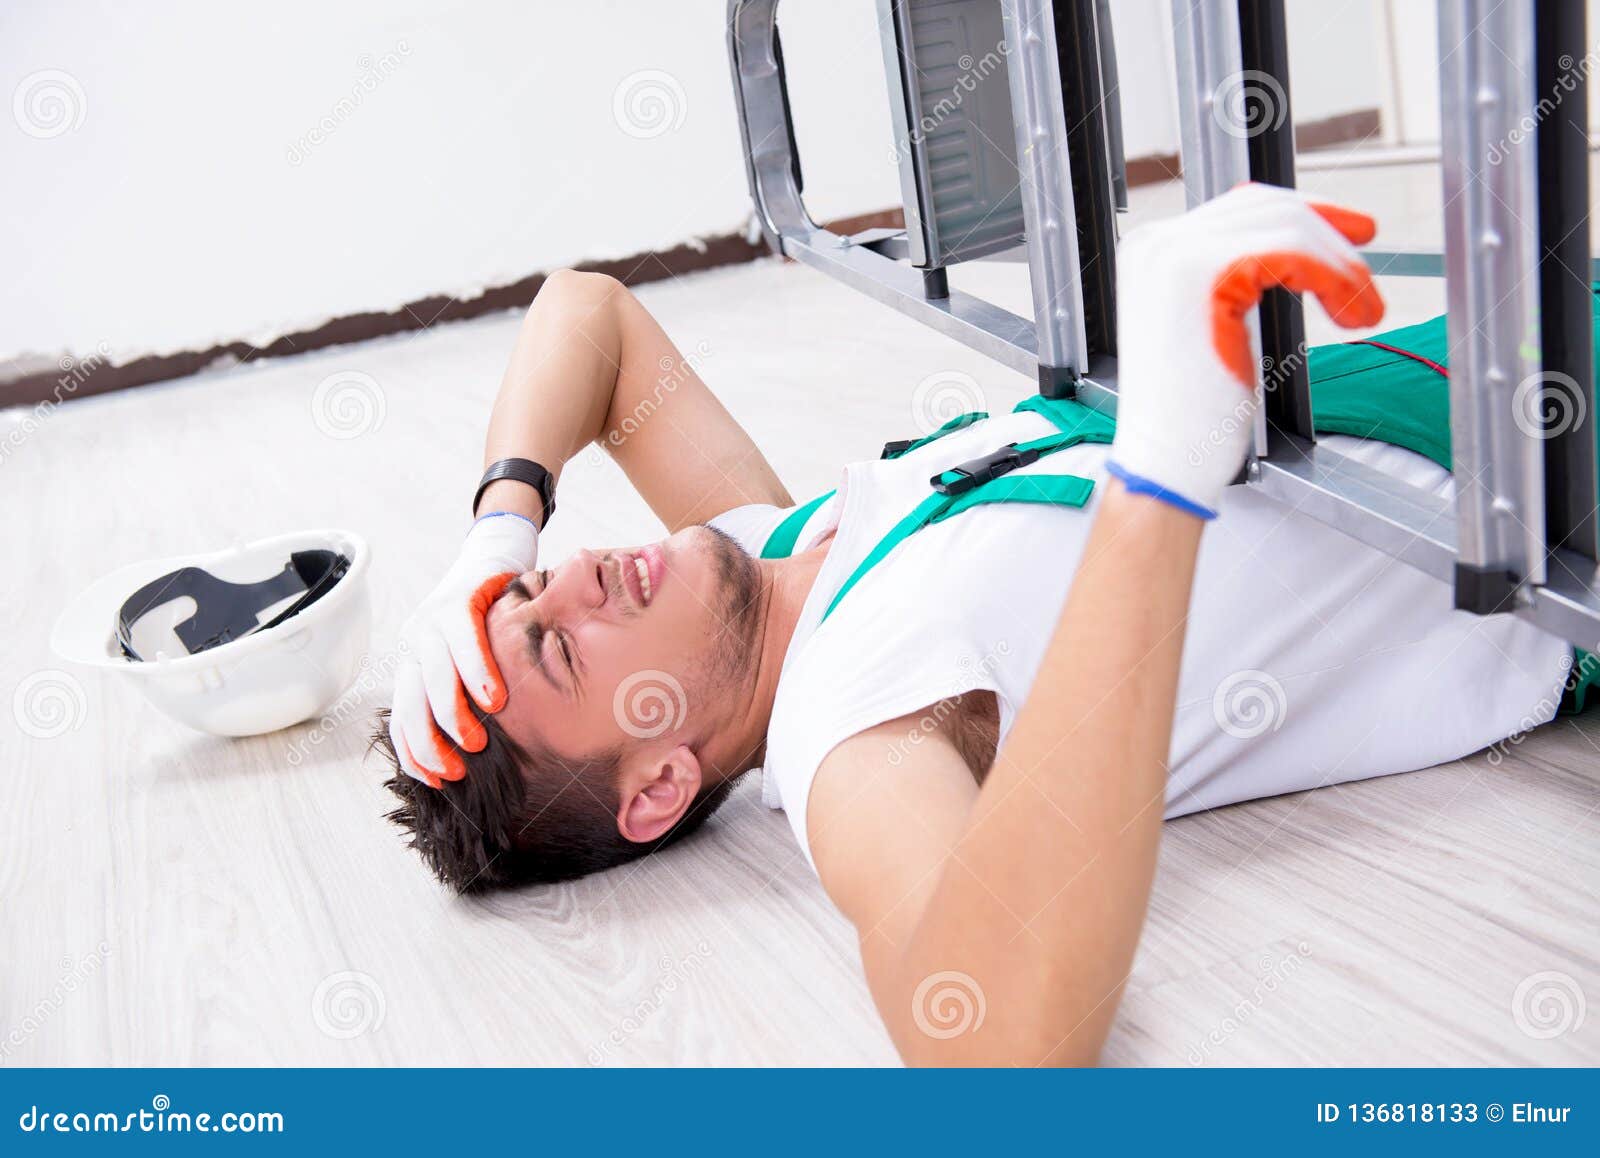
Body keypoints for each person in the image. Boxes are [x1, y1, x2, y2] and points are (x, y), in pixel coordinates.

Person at [371, 185, 1570, 1065]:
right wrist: (1161, 472)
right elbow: (990, 1048)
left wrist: (498, 530)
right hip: (1559, 520)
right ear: (658, 785)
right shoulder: (849, 722)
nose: (576, 575)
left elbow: (588, 314)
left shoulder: (773, 552)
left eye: (535, 587)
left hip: (1509, 352)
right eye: (558, 644)